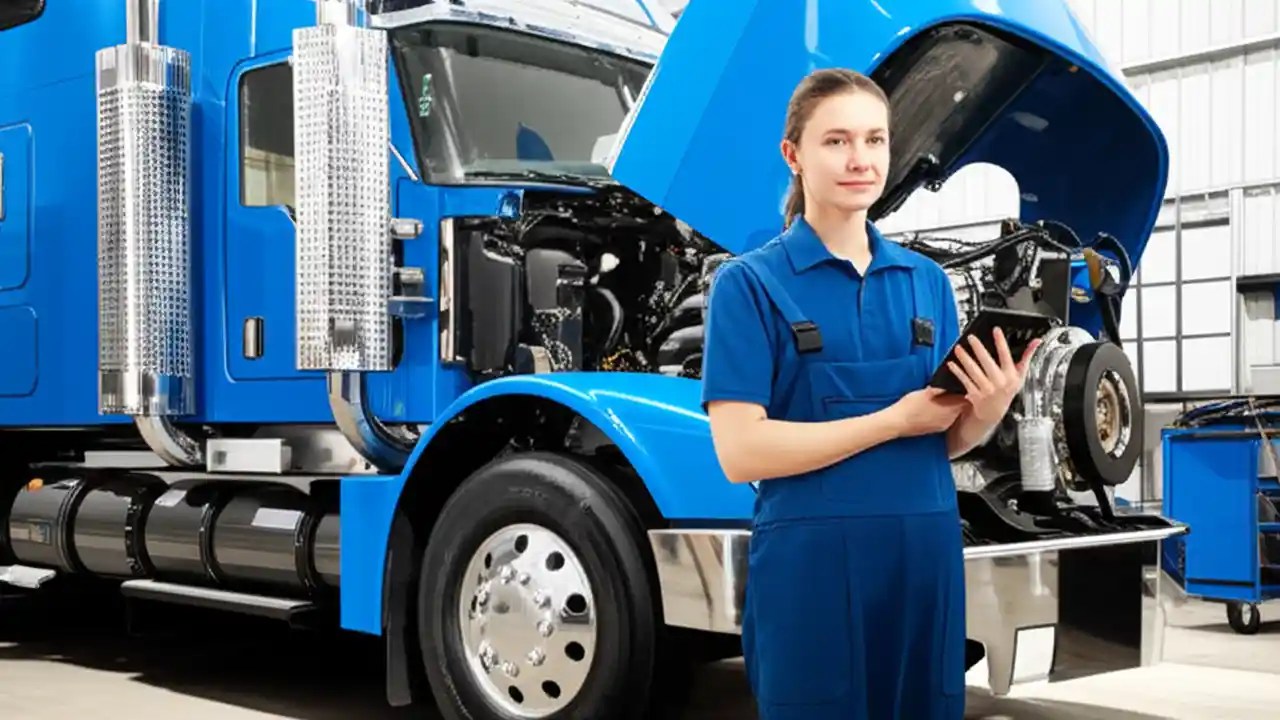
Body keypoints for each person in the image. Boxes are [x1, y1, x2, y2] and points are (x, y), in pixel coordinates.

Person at [701, 68, 1040, 719]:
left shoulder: (926, 283)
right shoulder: (749, 286)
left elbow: (941, 439)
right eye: (836, 141)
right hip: (812, 572)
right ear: (793, 155)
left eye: (875, 140)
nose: (860, 159)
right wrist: (890, 420)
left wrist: (988, 410)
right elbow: (742, 452)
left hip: (924, 563)